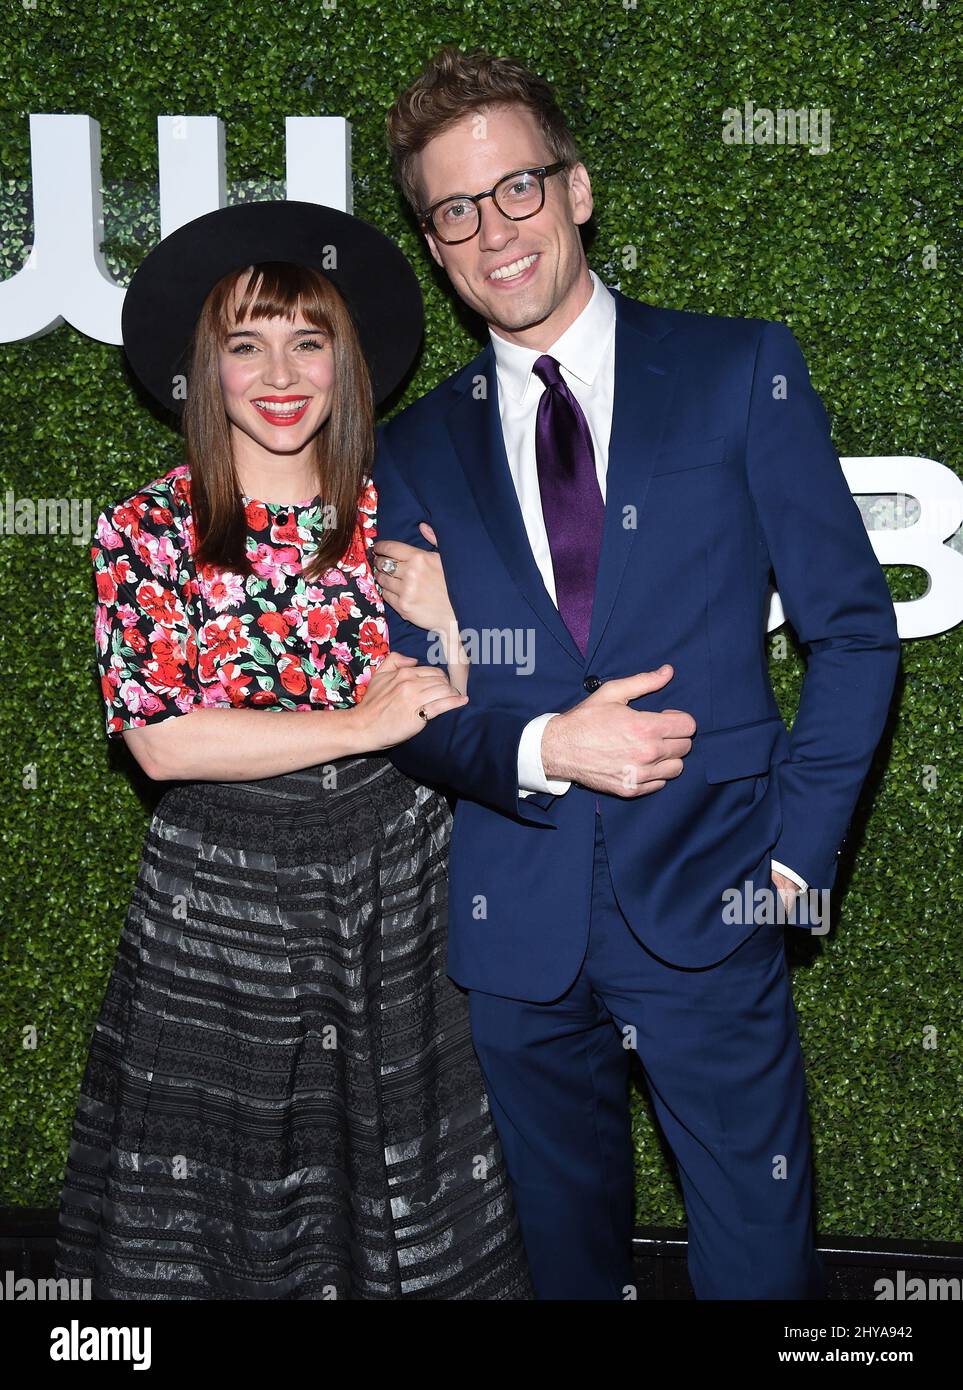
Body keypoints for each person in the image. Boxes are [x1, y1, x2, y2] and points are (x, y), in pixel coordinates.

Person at [372, 47, 901, 1300]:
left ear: (577, 188)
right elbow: (405, 705)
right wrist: (543, 745)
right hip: (515, 932)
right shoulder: (413, 444)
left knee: (757, 1264)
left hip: (716, 904)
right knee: (563, 1270)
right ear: (436, 248)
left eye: (517, 189)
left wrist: (790, 869)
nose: (494, 230)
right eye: (456, 209)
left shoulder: (735, 372)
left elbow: (854, 632)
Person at [53, 199, 533, 1300]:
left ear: (344, 362)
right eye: (246, 342)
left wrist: (455, 619)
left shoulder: (402, 514)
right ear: (205, 370)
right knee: (220, 1205)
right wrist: (358, 724)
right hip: (221, 915)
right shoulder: (146, 531)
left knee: (407, 1201)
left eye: (308, 341)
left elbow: (461, 714)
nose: (281, 371)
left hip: (396, 893)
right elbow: (163, 744)